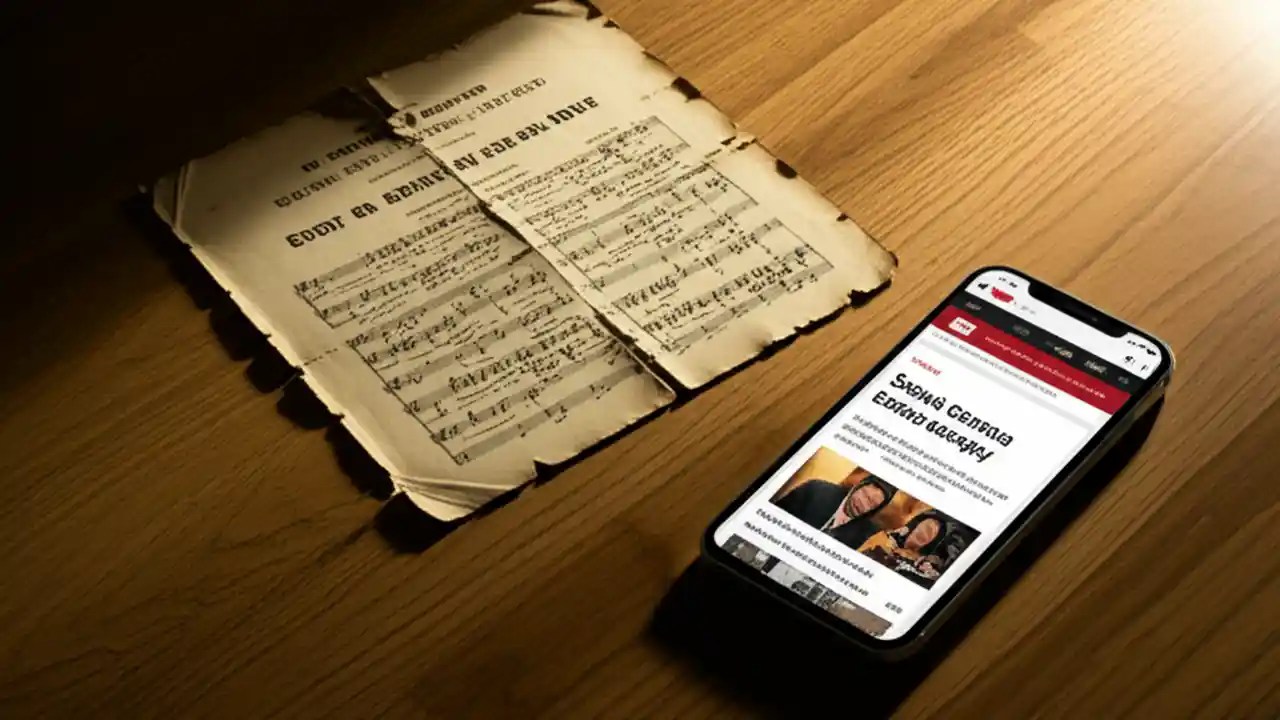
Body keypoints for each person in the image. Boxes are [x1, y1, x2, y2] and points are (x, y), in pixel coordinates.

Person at [773, 472, 896, 549]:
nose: (863, 503)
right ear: (857, 487)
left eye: (871, 503)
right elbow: (773, 515)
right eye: (864, 494)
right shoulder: (816, 489)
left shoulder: (865, 534)